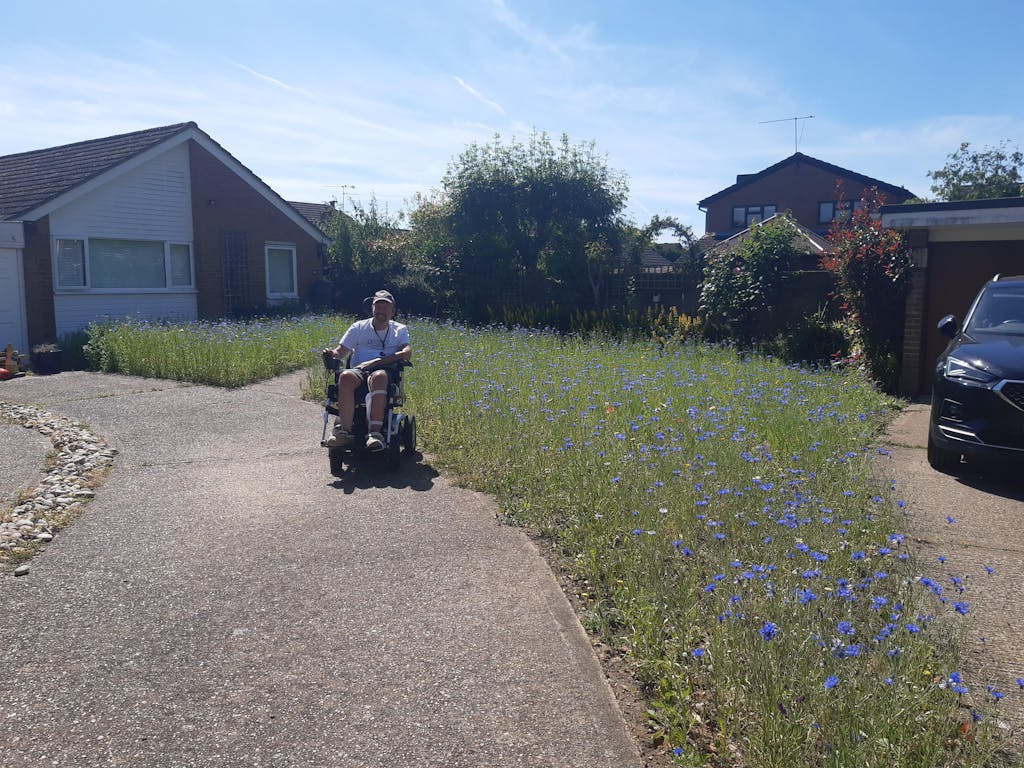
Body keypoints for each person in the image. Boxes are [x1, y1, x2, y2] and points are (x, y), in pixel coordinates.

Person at [322, 290, 412, 451]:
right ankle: (344, 432)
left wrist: (377, 362)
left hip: (384, 370)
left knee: (379, 377)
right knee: (346, 376)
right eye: (378, 307)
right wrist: (331, 355)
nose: (381, 311)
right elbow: (341, 352)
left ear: (393, 311)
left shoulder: (400, 329)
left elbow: (406, 352)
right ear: (372, 309)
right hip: (359, 370)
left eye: (385, 307)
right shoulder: (358, 327)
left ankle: (374, 434)